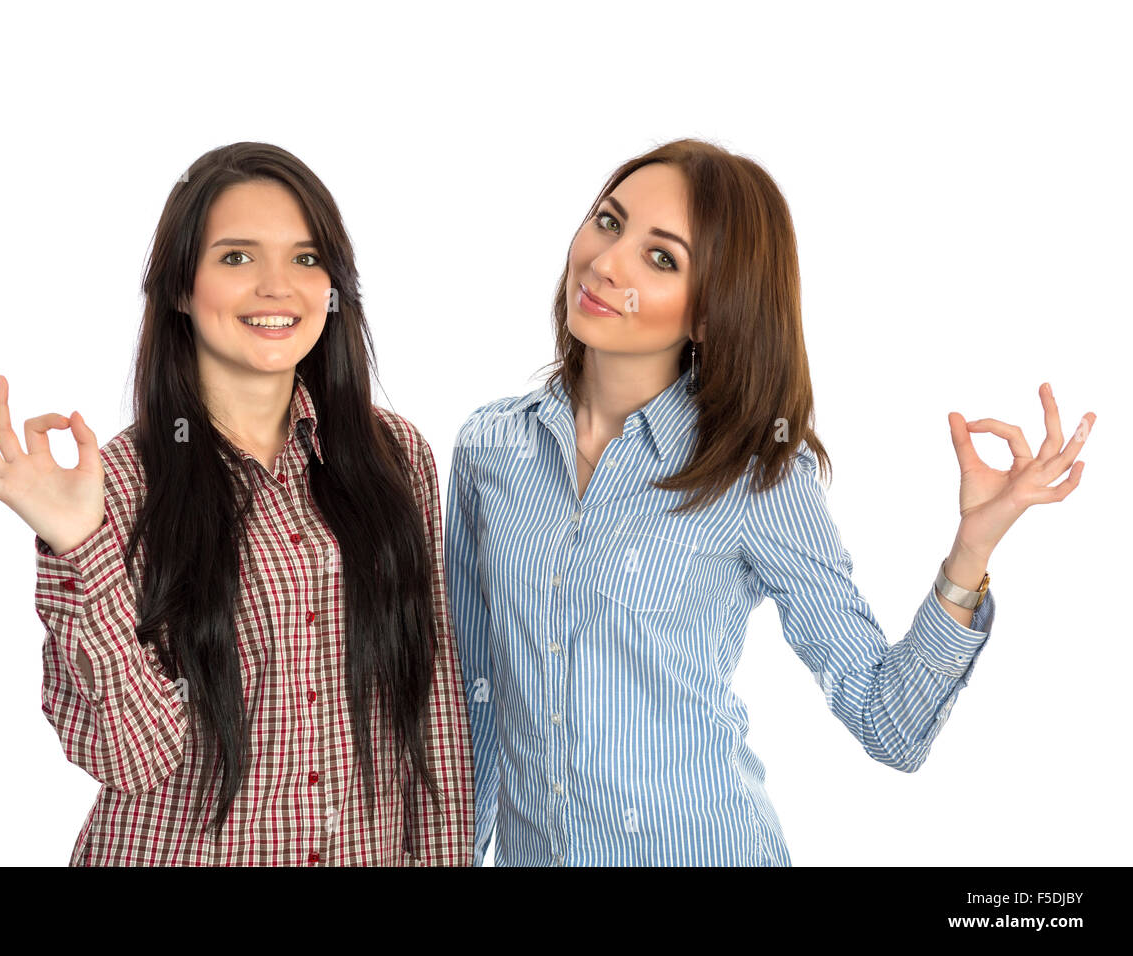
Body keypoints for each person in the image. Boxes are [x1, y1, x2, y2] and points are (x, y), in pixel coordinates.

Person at [446, 138, 1094, 866]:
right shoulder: (489, 451)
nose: (607, 262)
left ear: (708, 315)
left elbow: (891, 726)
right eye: (608, 221)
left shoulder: (754, 476)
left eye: (662, 258)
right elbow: (471, 699)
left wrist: (971, 550)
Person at [0, 142, 474, 866]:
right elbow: (132, 759)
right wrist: (79, 544)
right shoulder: (123, 485)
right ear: (177, 287)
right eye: (236, 258)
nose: (276, 287)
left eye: (306, 258)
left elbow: (431, 709)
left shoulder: (396, 461)